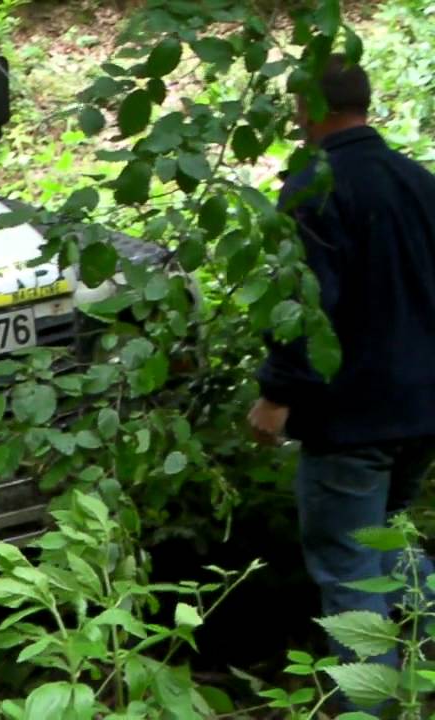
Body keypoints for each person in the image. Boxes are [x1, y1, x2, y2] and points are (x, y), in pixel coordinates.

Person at [249, 54, 435, 677]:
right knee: (387, 548)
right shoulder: (417, 181)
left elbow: (305, 303)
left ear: (309, 107)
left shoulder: (313, 187)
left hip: (355, 417)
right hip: (422, 409)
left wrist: (277, 392)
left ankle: (369, 704)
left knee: (350, 565)